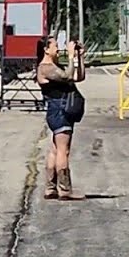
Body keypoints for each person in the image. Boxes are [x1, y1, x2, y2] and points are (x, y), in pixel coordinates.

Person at [36, 36, 86, 201]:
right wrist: (71, 56)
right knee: (64, 151)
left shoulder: (54, 66)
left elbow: (78, 77)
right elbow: (66, 76)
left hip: (59, 112)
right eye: (55, 46)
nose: (58, 49)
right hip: (60, 112)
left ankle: (51, 188)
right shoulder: (45, 68)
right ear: (46, 49)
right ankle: (65, 190)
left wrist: (80, 57)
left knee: (55, 150)